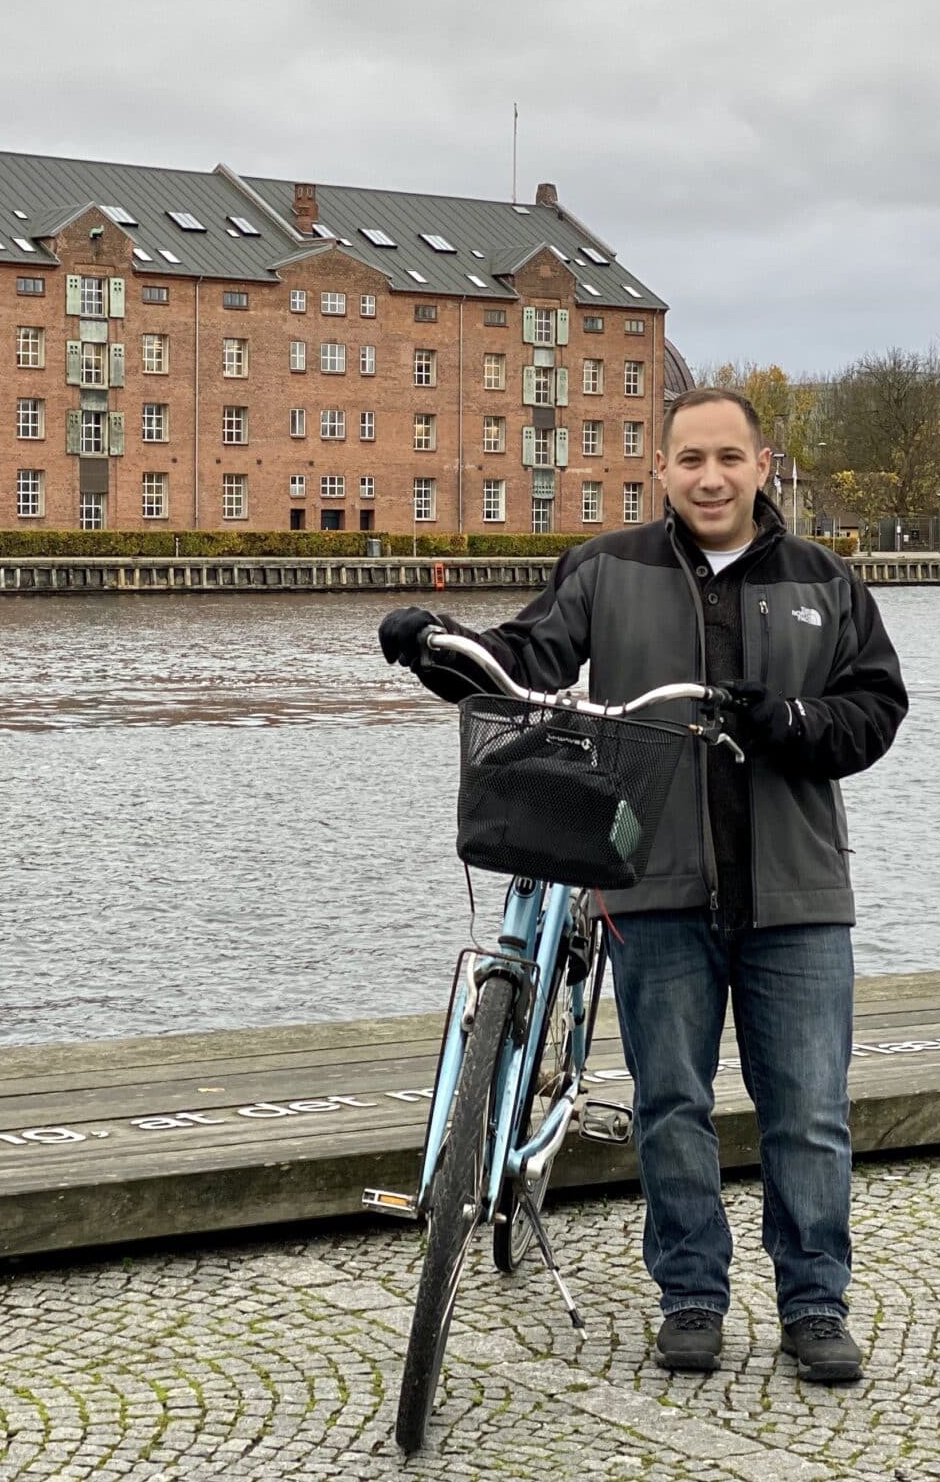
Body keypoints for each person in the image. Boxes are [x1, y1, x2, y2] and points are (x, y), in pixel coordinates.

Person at [378, 387, 907, 1385]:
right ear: (659, 470)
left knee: (807, 1110)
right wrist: (435, 644)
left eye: (727, 458)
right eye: (688, 459)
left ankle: (813, 1304)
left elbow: (874, 708)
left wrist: (788, 720)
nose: (708, 477)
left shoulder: (822, 579)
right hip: (654, 886)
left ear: (760, 466)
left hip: (795, 894)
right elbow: (522, 660)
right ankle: (691, 1296)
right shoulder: (604, 568)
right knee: (670, 1102)